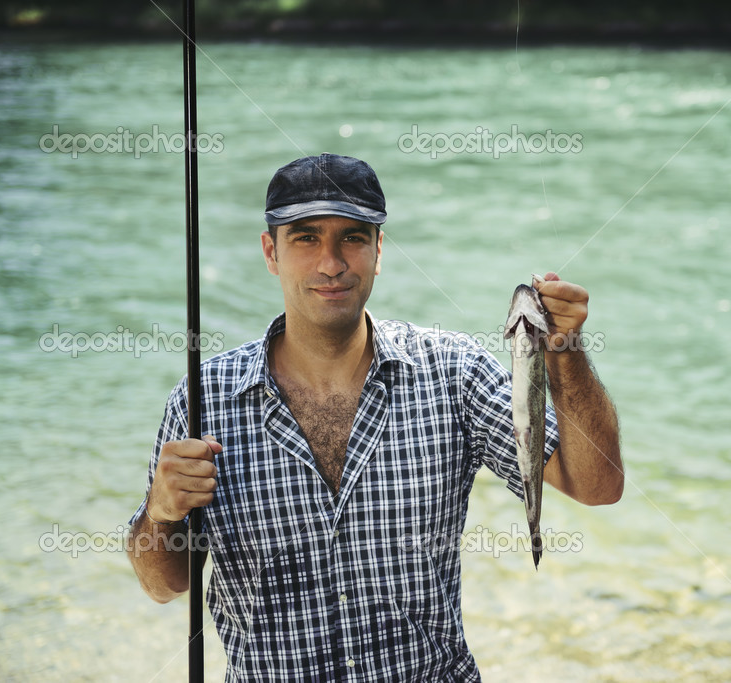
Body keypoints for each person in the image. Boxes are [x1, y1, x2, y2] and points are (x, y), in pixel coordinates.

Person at [126, 153, 622, 681]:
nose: (331, 263)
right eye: (306, 238)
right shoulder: (205, 398)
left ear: (378, 250)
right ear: (271, 252)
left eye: (353, 238)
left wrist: (564, 352)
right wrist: (161, 513)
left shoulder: (454, 373)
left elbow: (599, 485)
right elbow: (163, 585)